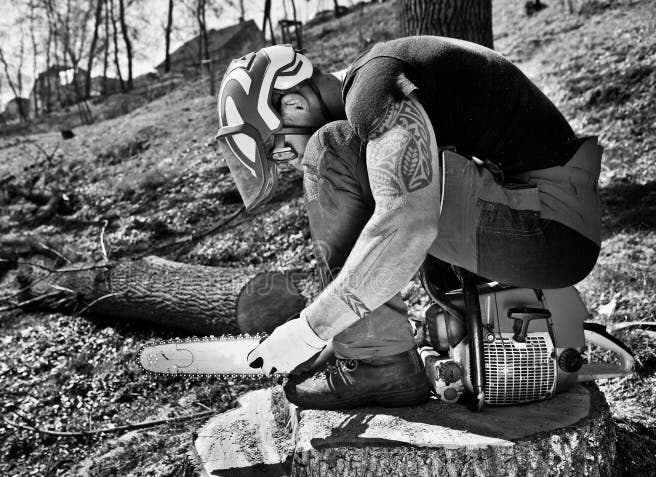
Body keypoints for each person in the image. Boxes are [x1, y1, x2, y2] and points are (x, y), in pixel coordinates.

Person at [216, 37, 602, 410]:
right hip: (541, 217)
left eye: (280, 148)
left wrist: (309, 330)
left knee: (332, 148)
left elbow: (409, 222)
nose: (292, 162)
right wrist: (337, 330)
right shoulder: (380, 80)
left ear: (294, 104)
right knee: (382, 171)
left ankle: (379, 363)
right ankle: (371, 346)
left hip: (547, 223)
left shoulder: (371, 89)